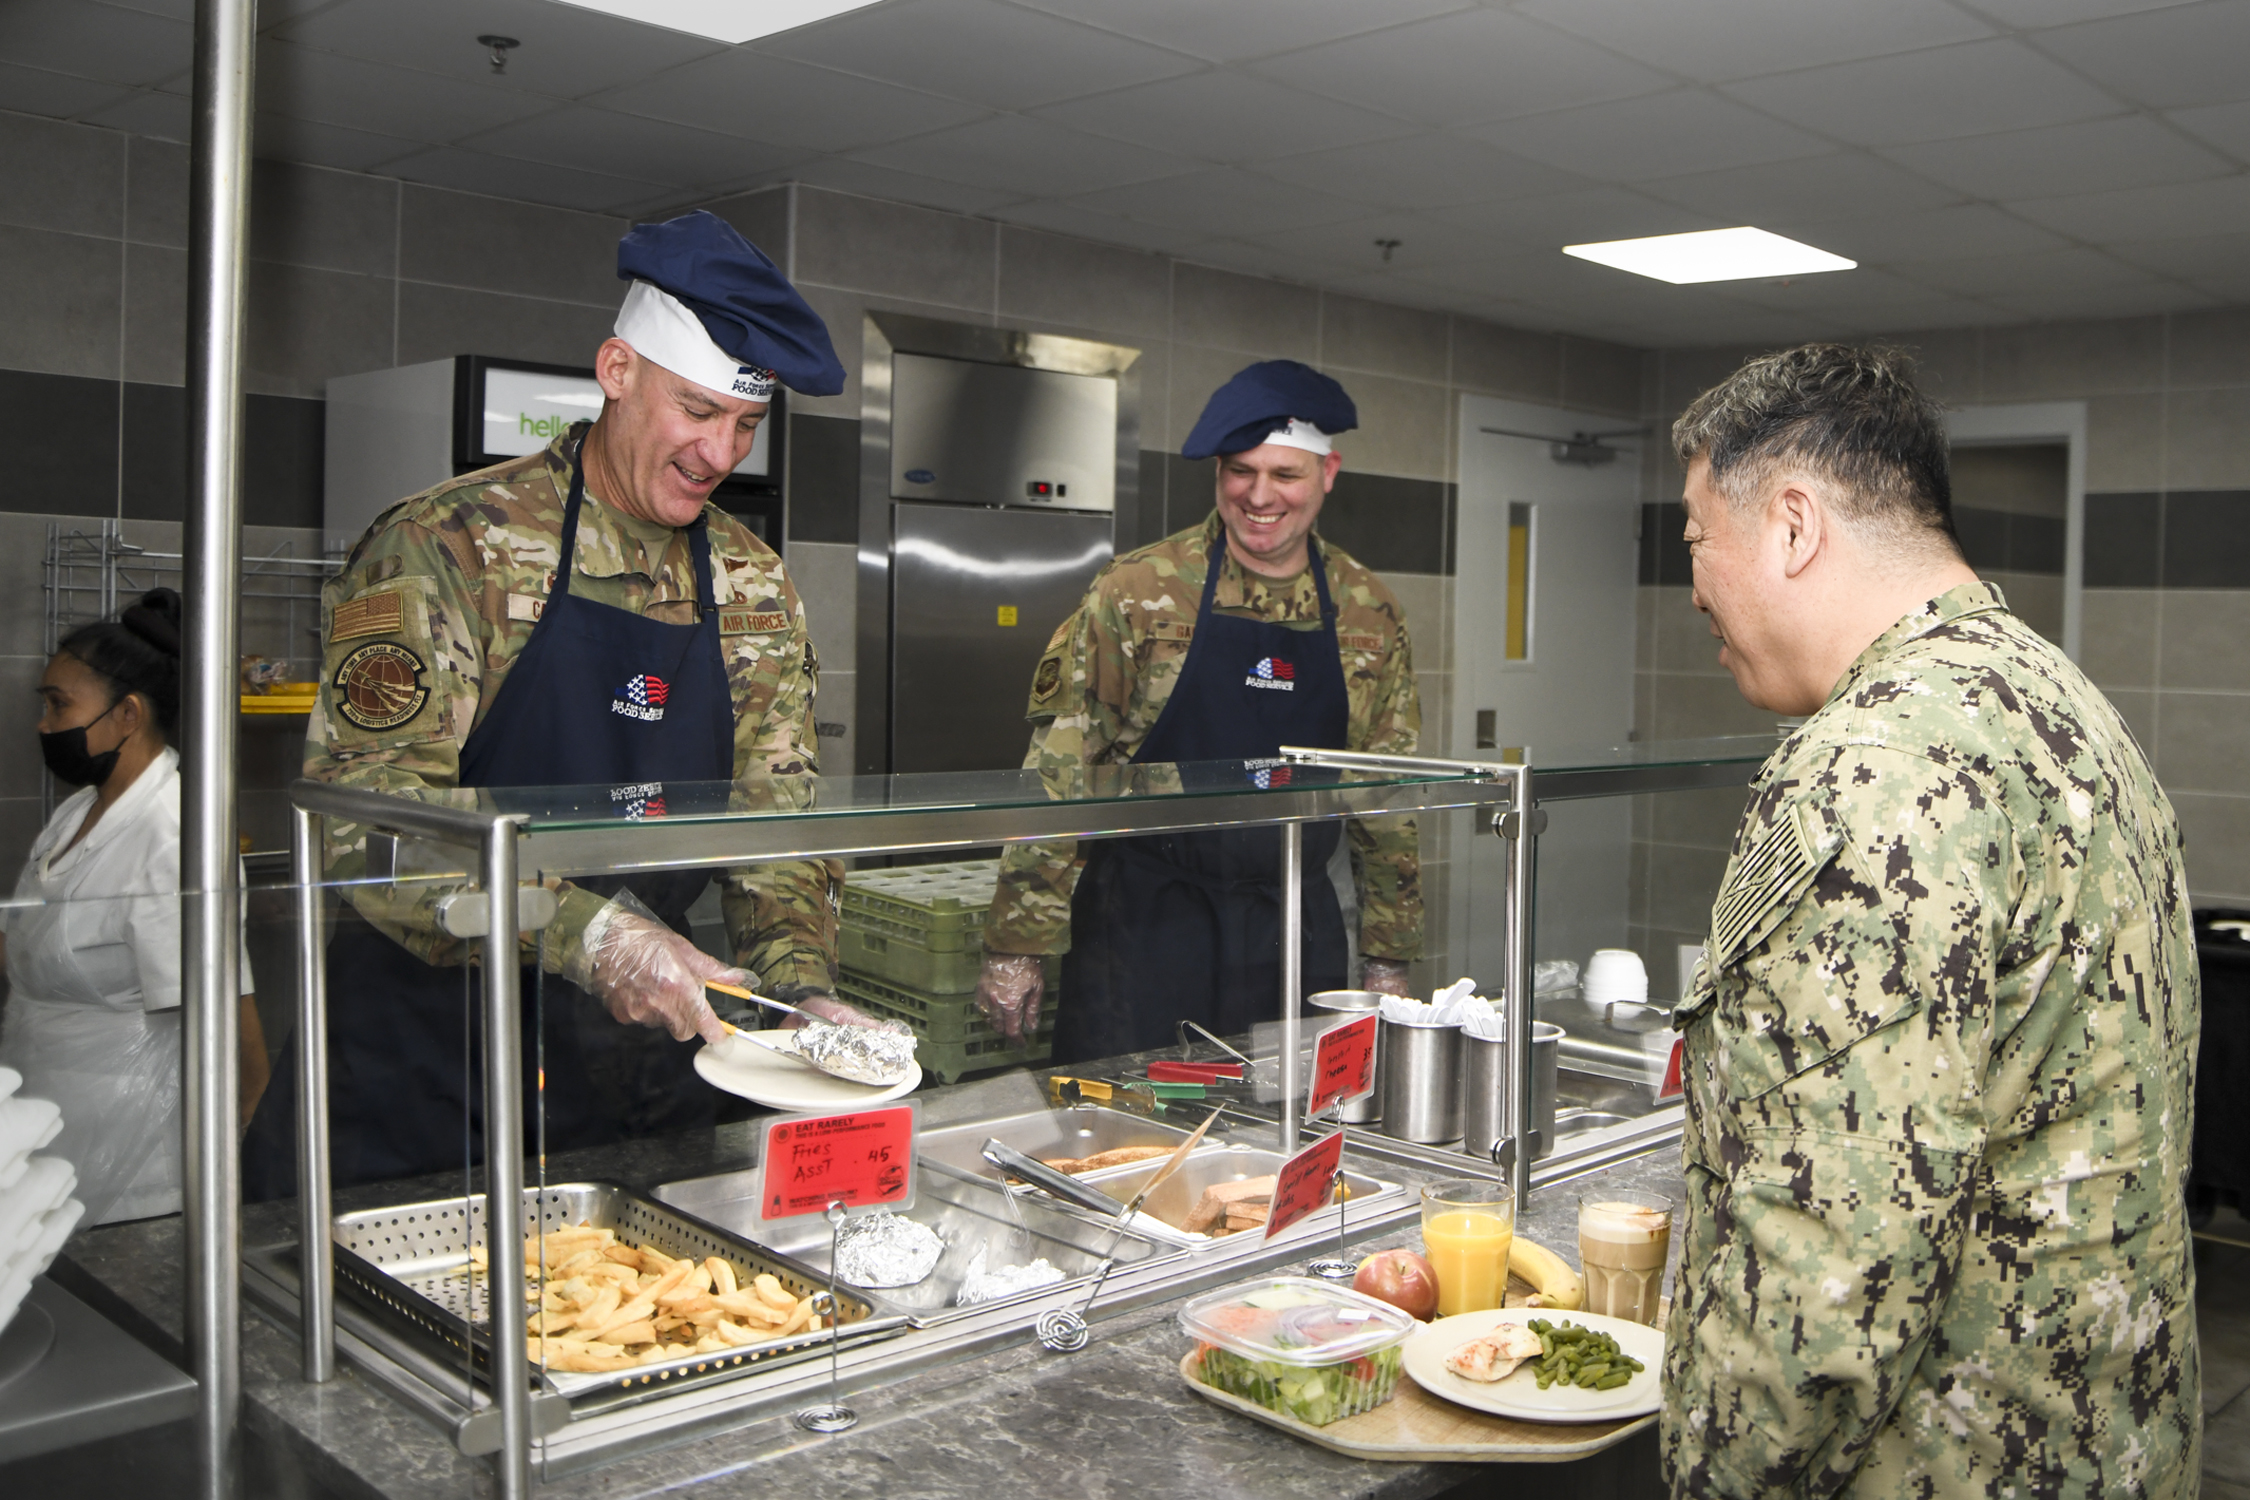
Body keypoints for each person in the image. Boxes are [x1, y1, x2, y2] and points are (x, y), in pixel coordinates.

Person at [242, 211, 876, 1197]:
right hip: (426, 1061)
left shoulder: (751, 583)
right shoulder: (449, 546)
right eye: (697, 411)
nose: (720, 454)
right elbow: (364, 835)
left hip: (630, 1071)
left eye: (746, 425)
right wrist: (592, 933)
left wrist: (801, 994)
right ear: (617, 371)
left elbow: (776, 829)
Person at [1659, 344, 2199, 1496]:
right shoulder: (2058, 698)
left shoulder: (1875, 767)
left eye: (1699, 538)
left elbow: (1831, 1268)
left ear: (1792, 524)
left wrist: (1724, 1476)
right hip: (2104, 1440)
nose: (1694, 583)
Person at [976, 360, 1423, 1063]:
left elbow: (1385, 798)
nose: (1259, 495)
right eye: (1241, 471)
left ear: (1328, 472)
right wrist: (1017, 943)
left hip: (1294, 926)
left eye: (1286, 475)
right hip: (1147, 922)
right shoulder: (1139, 590)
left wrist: (1388, 956)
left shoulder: (1368, 610)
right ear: (1218, 471)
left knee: (1290, 1124)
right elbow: (1062, 772)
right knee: (1128, 1135)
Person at [0, 588, 267, 1226]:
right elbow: (25, 943)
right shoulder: (75, 815)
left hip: (140, 1163)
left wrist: (234, 1146)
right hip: (48, 1132)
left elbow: (234, 1030)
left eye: (59, 704)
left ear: (126, 714)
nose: (44, 724)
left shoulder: (174, 832)